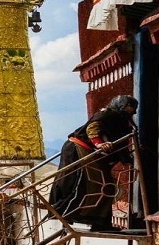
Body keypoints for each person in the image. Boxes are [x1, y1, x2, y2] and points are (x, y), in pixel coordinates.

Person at [49, 95, 138, 232]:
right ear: (124, 105)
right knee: (82, 183)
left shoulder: (119, 119)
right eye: (131, 107)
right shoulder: (109, 114)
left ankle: (99, 221)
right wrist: (99, 144)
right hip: (78, 150)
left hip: (83, 151)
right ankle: (67, 213)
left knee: (104, 185)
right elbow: (93, 127)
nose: (134, 111)